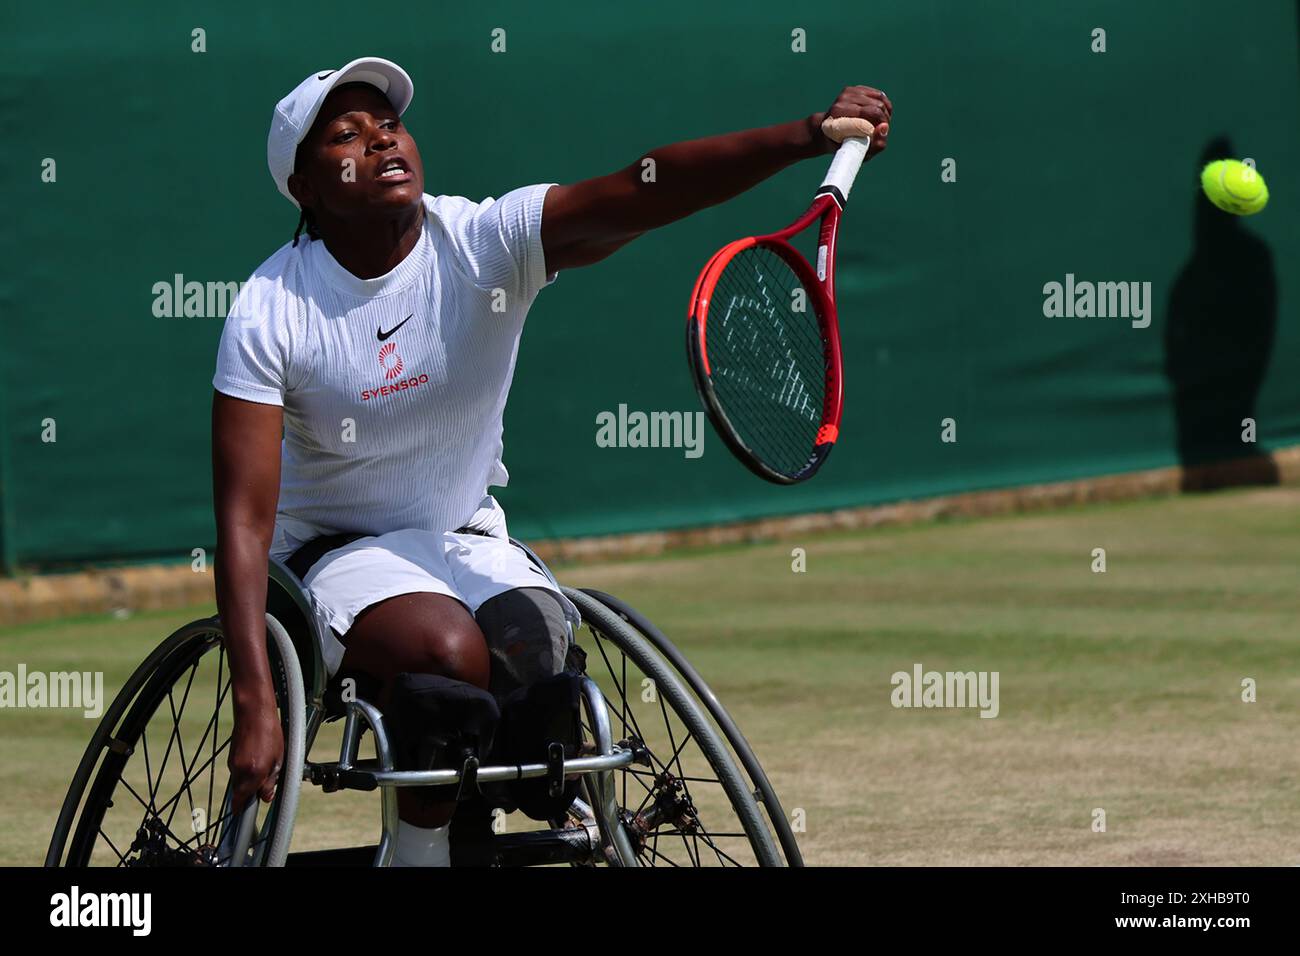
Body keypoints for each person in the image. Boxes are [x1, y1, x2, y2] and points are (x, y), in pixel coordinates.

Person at [212, 56, 890, 866]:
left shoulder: (481, 243)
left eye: (388, 122)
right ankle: (419, 849)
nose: (382, 139)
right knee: (449, 653)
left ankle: (502, 818)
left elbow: (640, 187)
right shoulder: (270, 308)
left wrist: (806, 136)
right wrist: (256, 700)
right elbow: (245, 524)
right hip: (333, 559)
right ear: (307, 188)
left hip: (463, 537)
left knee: (539, 644)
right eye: (345, 136)